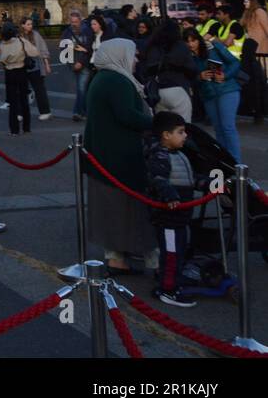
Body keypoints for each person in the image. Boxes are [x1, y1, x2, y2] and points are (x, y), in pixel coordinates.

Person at [83, 38, 156, 278]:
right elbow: (128, 116)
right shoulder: (118, 81)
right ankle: (148, 260)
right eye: (133, 55)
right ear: (120, 55)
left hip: (102, 155)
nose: (135, 60)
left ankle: (116, 259)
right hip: (119, 156)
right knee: (129, 208)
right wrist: (159, 123)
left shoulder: (101, 78)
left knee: (111, 210)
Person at [144, 111, 200, 307]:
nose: (185, 135)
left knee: (177, 251)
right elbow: (157, 179)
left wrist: (211, 184)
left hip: (179, 216)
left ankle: (171, 281)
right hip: (168, 216)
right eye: (181, 132)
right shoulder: (160, 156)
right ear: (166, 135)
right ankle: (167, 289)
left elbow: (190, 180)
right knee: (172, 253)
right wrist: (170, 195)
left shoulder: (178, 155)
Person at [195, 35, 243, 162]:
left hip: (227, 89)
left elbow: (235, 62)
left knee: (227, 127)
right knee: (219, 128)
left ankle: (236, 163)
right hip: (208, 94)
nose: (191, 44)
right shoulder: (188, 55)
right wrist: (199, 76)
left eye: (193, 40)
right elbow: (188, 75)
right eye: (187, 41)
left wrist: (225, 76)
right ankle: (226, 160)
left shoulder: (214, 47)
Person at [145, 20, 198, 122]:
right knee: (184, 126)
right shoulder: (181, 46)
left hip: (157, 91)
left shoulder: (153, 47)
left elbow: (148, 70)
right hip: (178, 88)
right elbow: (192, 70)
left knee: (165, 127)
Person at [0, 22, 32, 135]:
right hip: (22, 70)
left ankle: (14, 129)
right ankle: (26, 127)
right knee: (24, 100)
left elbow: (2, 60)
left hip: (10, 72)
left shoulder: (4, 45)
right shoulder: (21, 41)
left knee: (13, 101)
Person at [19, 17, 53, 121]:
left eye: (31, 24)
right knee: (21, 91)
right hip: (22, 66)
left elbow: (43, 50)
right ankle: (20, 112)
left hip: (36, 66)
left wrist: (47, 64)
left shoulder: (36, 35)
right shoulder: (18, 36)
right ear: (22, 25)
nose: (30, 26)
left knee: (39, 90)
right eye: (28, 24)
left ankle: (45, 112)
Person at [63, 10, 92, 120]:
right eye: (72, 22)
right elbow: (63, 48)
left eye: (75, 21)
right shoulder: (67, 32)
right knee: (83, 89)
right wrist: (71, 64)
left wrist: (81, 62)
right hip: (74, 63)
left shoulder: (87, 31)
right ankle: (82, 112)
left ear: (80, 20)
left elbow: (89, 48)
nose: (73, 24)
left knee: (81, 88)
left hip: (85, 64)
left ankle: (79, 112)